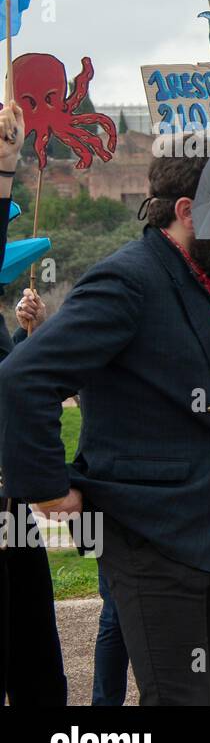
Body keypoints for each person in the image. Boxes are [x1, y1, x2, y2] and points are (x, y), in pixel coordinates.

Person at [0, 144, 210, 706]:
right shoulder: (128, 279)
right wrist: (48, 489)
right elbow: (23, 377)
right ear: (190, 210)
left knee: (202, 695)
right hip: (151, 536)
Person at [0, 99, 67, 707]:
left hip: (10, 499)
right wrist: (2, 172)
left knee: (36, 656)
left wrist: (29, 336)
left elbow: (9, 382)